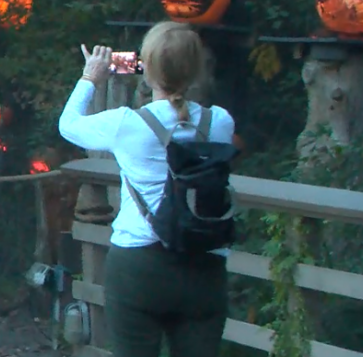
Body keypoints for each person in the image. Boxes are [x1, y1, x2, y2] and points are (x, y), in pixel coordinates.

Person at [58, 22, 235, 357]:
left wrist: (90, 78)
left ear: (148, 72)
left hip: (138, 267)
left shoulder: (128, 124)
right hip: (204, 266)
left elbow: (68, 125)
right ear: (196, 71)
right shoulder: (221, 123)